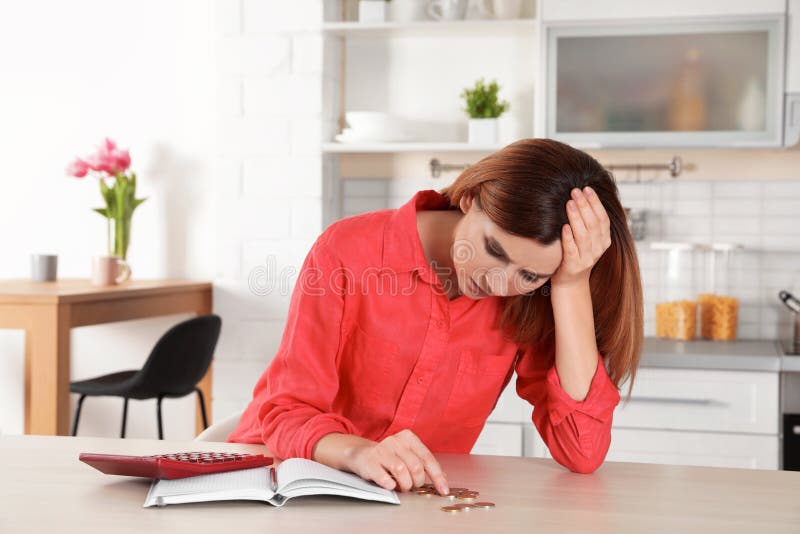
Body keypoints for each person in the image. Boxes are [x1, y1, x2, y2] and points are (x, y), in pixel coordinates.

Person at [227, 138, 643, 495]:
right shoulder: (348, 251)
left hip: (406, 501)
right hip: (283, 480)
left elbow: (583, 450)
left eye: (530, 274)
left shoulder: (531, 297)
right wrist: (360, 452)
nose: (497, 283)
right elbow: (285, 413)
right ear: (470, 197)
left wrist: (571, 284)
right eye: (494, 250)